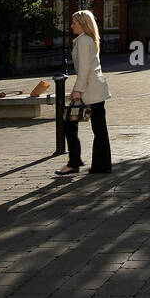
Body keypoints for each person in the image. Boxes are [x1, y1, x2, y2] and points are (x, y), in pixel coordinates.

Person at [58, 10, 112, 175]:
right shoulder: (89, 40)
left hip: (89, 90)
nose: (71, 25)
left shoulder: (83, 41)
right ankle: (101, 166)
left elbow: (84, 69)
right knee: (99, 129)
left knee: (69, 125)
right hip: (96, 89)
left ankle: (75, 163)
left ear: (83, 24)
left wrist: (77, 90)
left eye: (74, 22)